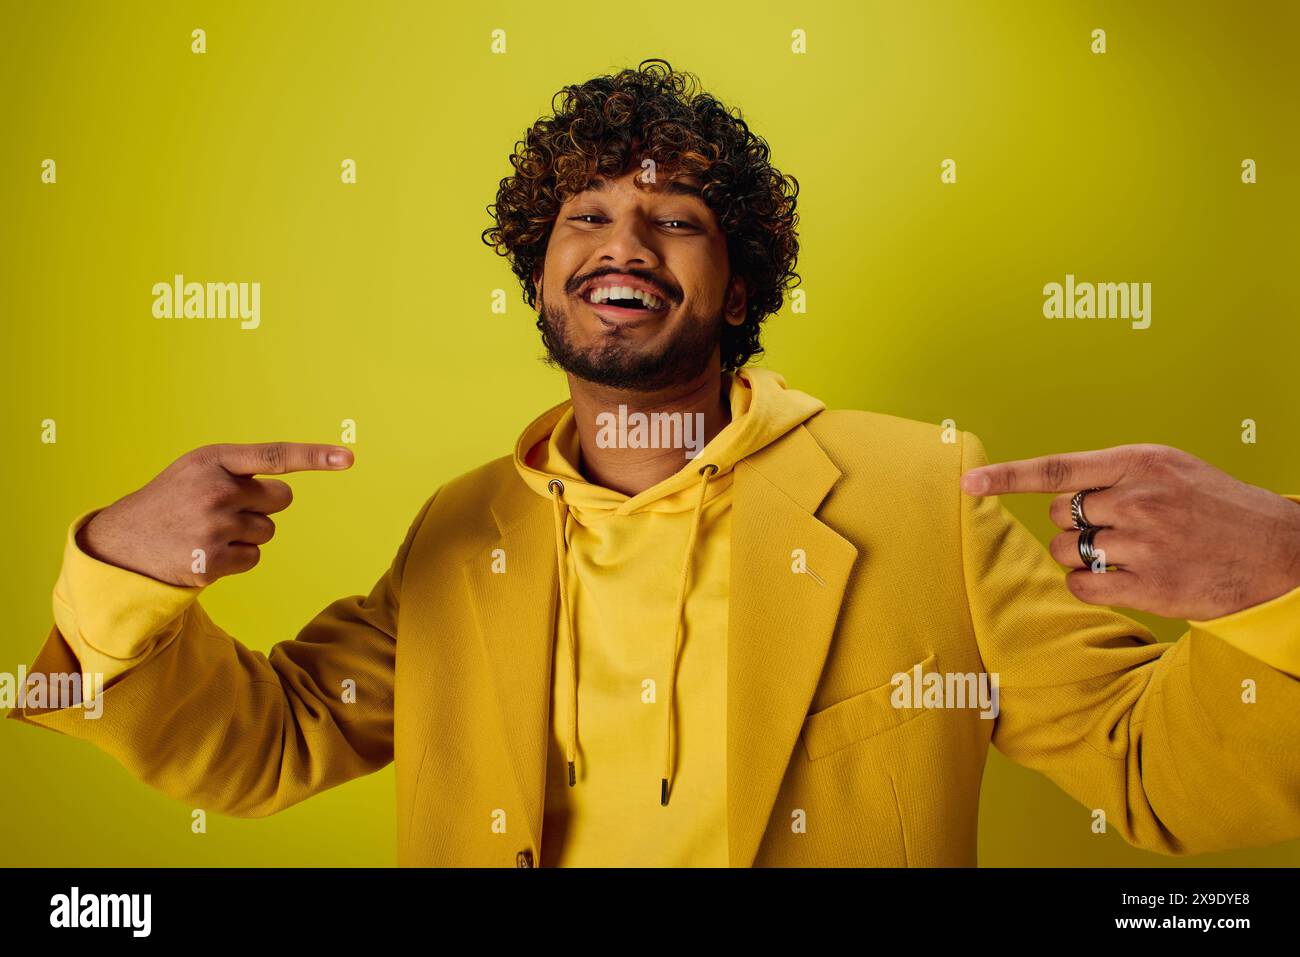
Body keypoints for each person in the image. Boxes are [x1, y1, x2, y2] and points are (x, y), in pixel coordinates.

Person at [11, 60, 1300, 867]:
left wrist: (1282, 579)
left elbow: (1151, 773)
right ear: (544, 270)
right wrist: (125, 575)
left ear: (736, 288)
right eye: (586, 217)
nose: (624, 240)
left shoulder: (923, 496)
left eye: (675, 220)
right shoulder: (464, 531)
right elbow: (269, 748)